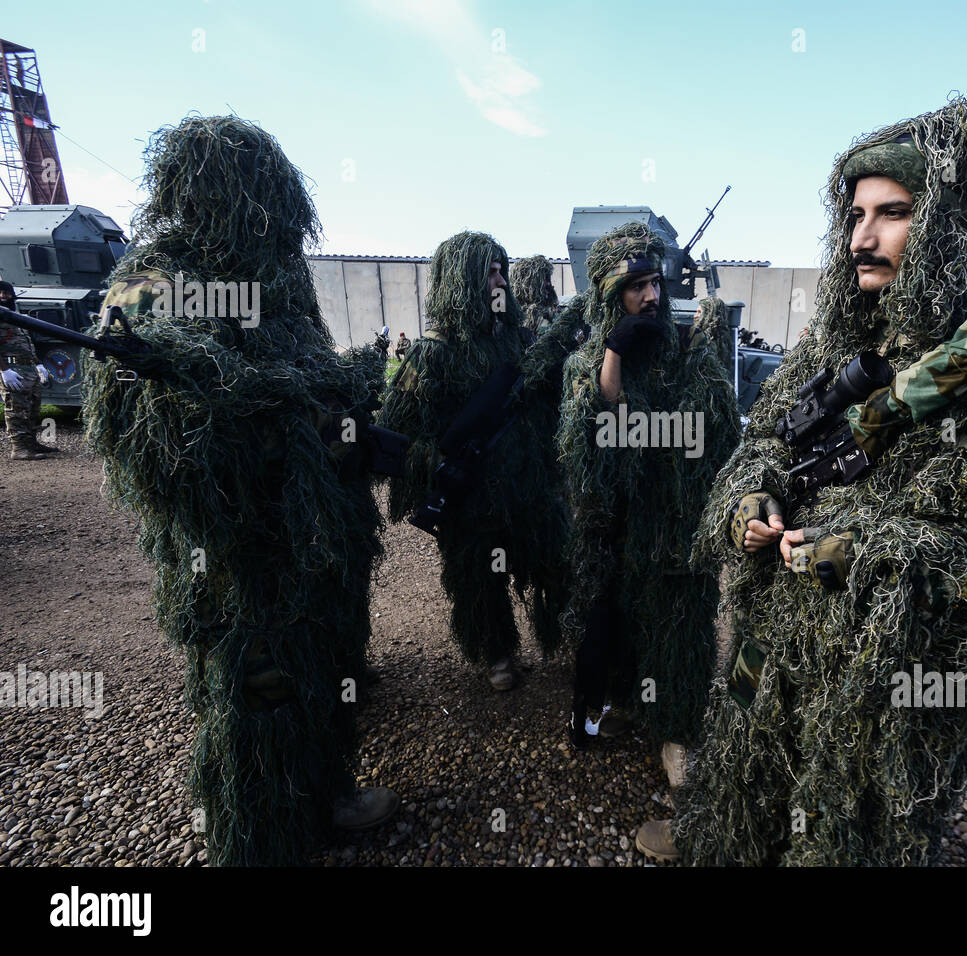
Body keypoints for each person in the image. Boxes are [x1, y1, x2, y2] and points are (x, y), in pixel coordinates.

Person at [637, 97, 967, 865]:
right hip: (773, 648)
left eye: (891, 213)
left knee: (847, 833)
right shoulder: (842, 343)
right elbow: (761, 443)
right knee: (742, 784)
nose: (861, 237)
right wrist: (751, 506)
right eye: (854, 214)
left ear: (947, 228)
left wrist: (872, 555)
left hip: (886, 692)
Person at [81, 116, 397, 866]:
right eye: (264, 206)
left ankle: (325, 798)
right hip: (236, 554)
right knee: (259, 702)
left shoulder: (278, 284)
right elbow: (137, 414)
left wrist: (337, 416)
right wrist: (224, 405)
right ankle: (258, 845)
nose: (281, 228)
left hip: (314, 536)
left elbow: (314, 378)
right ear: (219, 197)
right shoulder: (157, 279)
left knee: (322, 675)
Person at [556, 222, 740, 776]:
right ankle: (630, 701)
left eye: (655, 283)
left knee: (678, 628)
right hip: (613, 529)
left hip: (673, 527)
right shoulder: (586, 363)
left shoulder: (685, 352)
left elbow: (710, 432)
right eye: (636, 286)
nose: (653, 297)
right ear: (611, 293)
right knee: (615, 622)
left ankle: (677, 732)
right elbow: (587, 449)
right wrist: (613, 354)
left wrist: (646, 430)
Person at [377, 232, 568, 692]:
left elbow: (548, 409)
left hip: (530, 490)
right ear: (459, 281)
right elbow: (394, 436)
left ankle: (570, 637)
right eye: (489, 272)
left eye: (502, 269)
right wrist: (441, 465)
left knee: (556, 565)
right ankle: (496, 651)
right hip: (472, 500)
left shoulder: (520, 342)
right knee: (479, 581)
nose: (500, 280)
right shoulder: (432, 355)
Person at [1, 280, 57, 460]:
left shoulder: (14, 316)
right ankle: (19, 448)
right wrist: (4, 371)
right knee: (16, 409)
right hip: (12, 368)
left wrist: (38, 364)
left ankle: (31, 444)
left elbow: (28, 344)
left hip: (28, 367)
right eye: (0, 293)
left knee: (32, 407)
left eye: (7, 293)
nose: (4, 296)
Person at [512, 254, 560, 334]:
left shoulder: (552, 312)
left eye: (548, 279)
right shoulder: (512, 316)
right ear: (528, 284)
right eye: (543, 279)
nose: (548, 284)